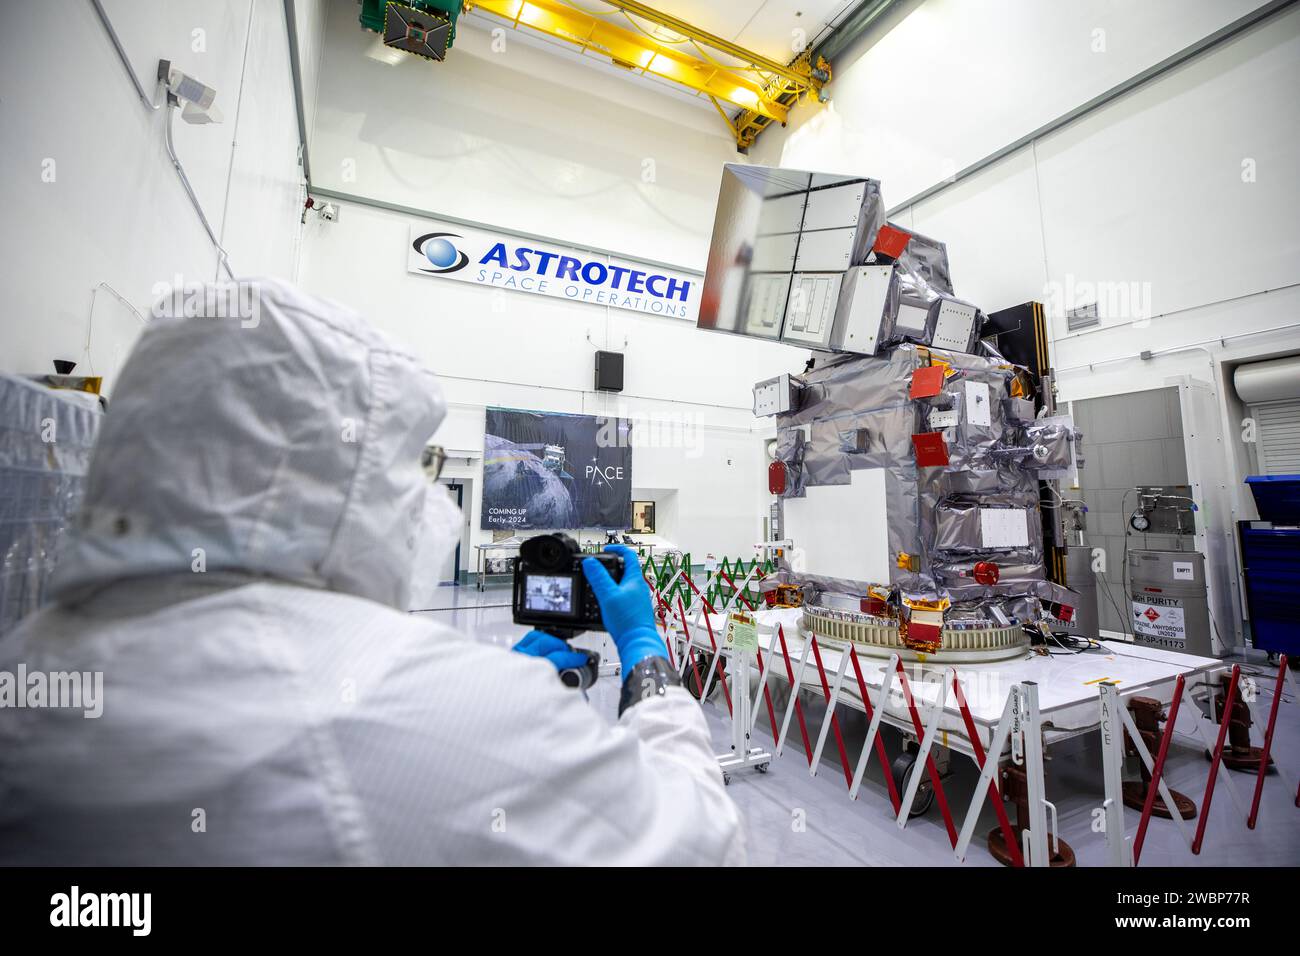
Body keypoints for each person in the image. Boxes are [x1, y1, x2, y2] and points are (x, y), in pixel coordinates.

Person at [0, 278, 745, 866]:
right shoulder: (430, 709)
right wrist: (648, 666)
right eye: (410, 462)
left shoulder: (30, 662)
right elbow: (700, 842)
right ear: (333, 465)